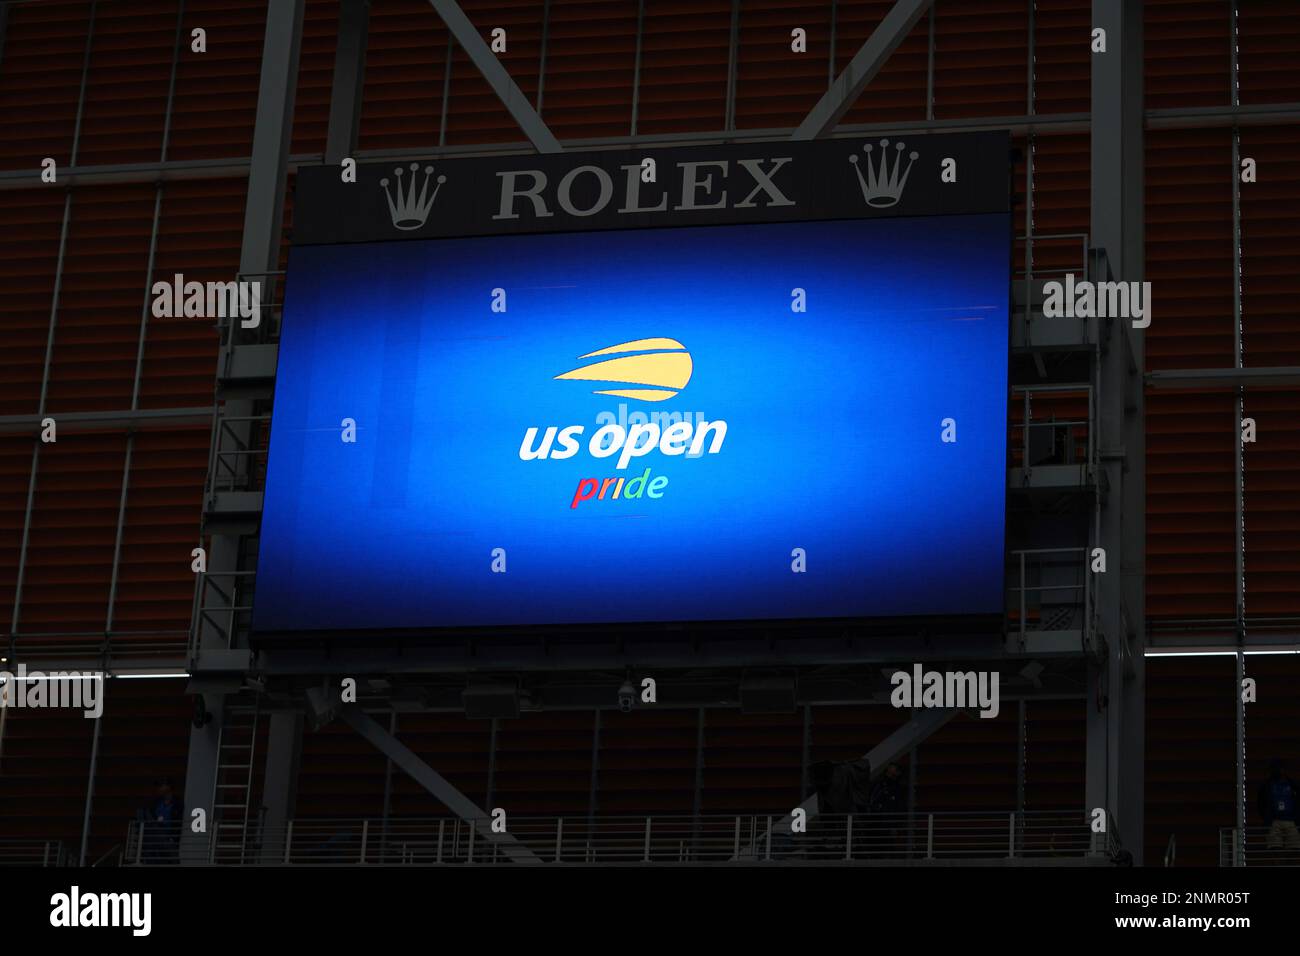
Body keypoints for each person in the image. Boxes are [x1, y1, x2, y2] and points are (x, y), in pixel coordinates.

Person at [1258, 759, 1300, 850]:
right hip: (1274, 822)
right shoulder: (1266, 786)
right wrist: (1267, 819)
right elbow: (1261, 804)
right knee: (1275, 849)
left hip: (1291, 821)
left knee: (1294, 849)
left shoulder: (1292, 784)